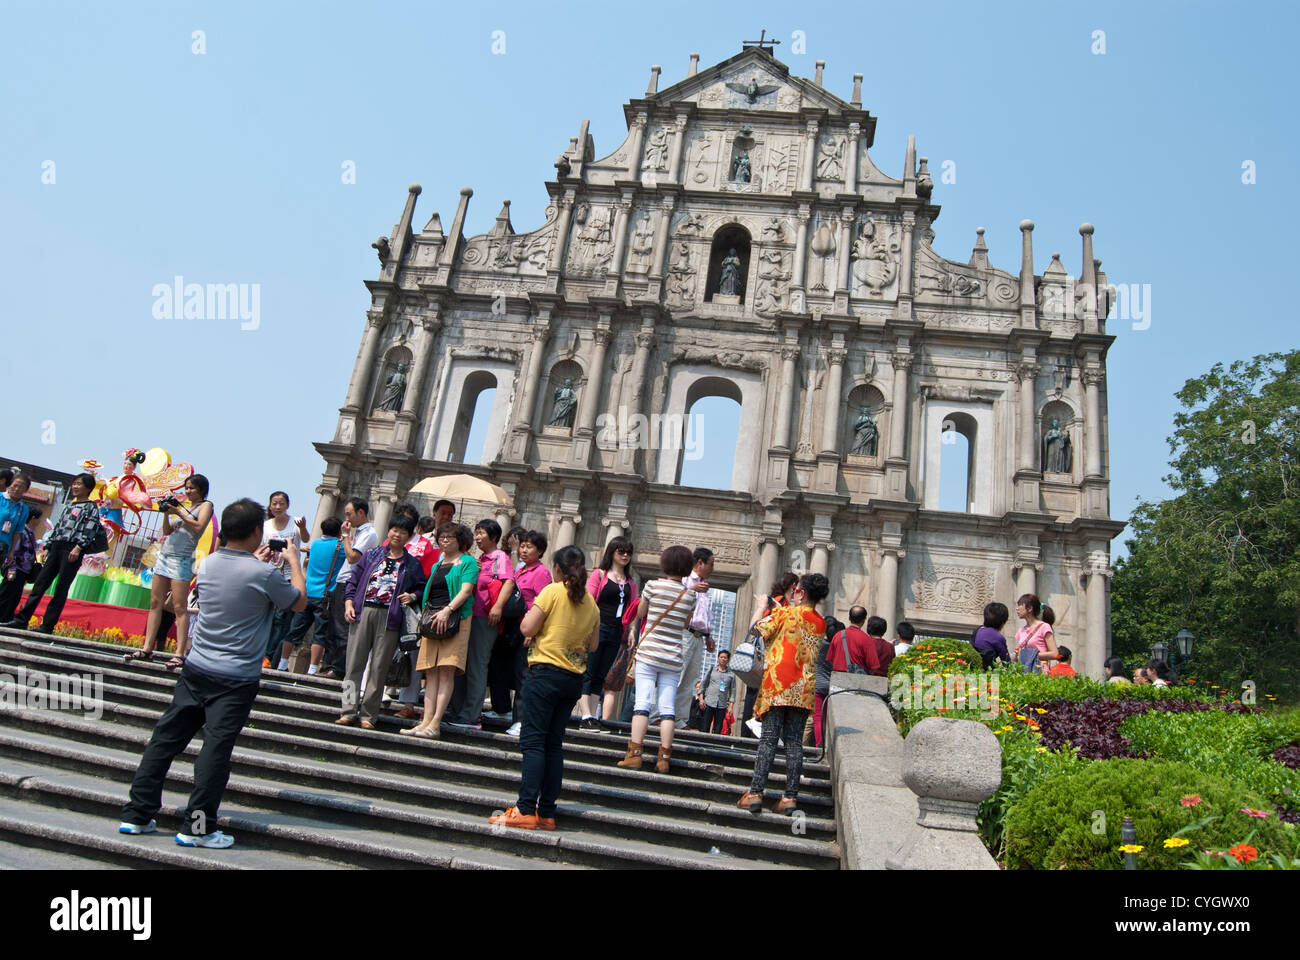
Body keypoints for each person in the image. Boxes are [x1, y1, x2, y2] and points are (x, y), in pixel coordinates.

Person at [118, 498, 306, 848]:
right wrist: (293, 560)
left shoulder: (206, 565)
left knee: (164, 740)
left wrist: (256, 563)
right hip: (235, 678)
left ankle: (137, 814)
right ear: (255, 532)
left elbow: (238, 580)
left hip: (196, 667)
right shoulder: (263, 573)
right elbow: (297, 601)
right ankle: (197, 826)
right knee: (215, 751)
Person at [489, 546, 599, 830]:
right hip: (572, 679)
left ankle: (525, 808)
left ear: (559, 569)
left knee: (533, 741)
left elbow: (526, 627)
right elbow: (594, 645)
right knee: (553, 744)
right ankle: (547, 812)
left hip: (545, 672)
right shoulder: (591, 604)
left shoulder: (552, 592)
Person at [737, 572, 830, 814]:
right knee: (794, 743)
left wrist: (762, 608)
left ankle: (756, 793)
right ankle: (790, 797)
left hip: (778, 685)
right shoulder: (821, 623)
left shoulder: (785, 613)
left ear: (801, 592)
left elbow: (757, 631)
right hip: (803, 689)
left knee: (768, 739)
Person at [336, 514, 426, 729]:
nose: (397, 534)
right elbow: (353, 581)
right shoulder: (372, 555)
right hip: (363, 611)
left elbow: (422, 587)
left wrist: (413, 596)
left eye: (403, 532)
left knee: (378, 668)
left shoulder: (411, 564)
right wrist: (349, 604)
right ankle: (347, 710)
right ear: (389, 531)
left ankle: (369, 714)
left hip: (390, 618)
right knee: (353, 665)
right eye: (394, 529)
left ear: (408, 536)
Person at [616, 546, 697, 772]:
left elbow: (641, 613)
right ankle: (663, 758)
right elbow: (685, 624)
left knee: (642, 704)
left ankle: (635, 754)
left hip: (649, 654)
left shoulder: (652, 586)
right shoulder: (690, 595)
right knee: (667, 708)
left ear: (664, 564)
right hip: (672, 657)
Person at [401, 522, 476, 738]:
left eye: (450, 537)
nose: (444, 540)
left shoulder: (468, 562)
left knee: (446, 671)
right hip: (432, 620)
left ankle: (436, 722)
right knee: (430, 672)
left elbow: (466, 591)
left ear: (460, 540)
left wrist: (447, 610)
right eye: (442, 537)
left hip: (455, 620)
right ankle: (425, 721)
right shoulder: (437, 564)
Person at [128, 475, 212, 667]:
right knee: (155, 603)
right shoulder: (182, 507)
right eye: (187, 488)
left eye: (192, 488)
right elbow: (166, 531)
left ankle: (179, 653)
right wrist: (166, 512)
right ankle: (147, 648)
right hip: (165, 557)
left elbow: (198, 526)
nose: (188, 491)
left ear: (201, 490)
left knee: (179, 607)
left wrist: (178, 512)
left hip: (182, 559)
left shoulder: (205, 505)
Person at [4, 474, 103, 634]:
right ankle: (21, 619)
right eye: (74, 483)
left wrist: (78, 548)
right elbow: (58, 527)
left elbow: (90, 530)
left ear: (88, 488)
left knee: (61, 589)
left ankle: (47, 625)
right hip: (57, 546)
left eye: (79, 484)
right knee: (40, 584)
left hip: (72, 550)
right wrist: (48, 546)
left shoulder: (90, 507)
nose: (75, 487)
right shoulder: (71, 505)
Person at [446, 520, 515, 730]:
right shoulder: (479, 559)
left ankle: (471, 714)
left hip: (485, 618)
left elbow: (508, 582)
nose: (477, 537)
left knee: (477, 664)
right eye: (476, 533)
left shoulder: (500, 557)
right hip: (468, 616)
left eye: (481, 533)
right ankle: (457, 709)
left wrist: (498, 607)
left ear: (493, 537)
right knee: (462, 663)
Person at [577, 536, 639, 730]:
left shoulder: (630, 582)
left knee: (601, 675)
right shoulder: (600, 574)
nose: (625, 555)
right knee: (588, 671)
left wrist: (631, 630)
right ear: (612, 552)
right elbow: (589, 602)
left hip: (616, 631)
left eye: (628, 552)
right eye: (621, 551)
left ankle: (593, 717)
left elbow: (633, 609)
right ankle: (585, 715)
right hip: (597, 627)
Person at [493, 530, 552, 732]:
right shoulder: (520, 570)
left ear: (540, 551)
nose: (524, 550)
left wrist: (532, 632)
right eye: (523, 546)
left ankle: (521, 719)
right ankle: (501, 707)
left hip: (525, 627)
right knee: (499, 666)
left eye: (529, 547)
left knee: (522, 673)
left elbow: (542, 605)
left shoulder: (541, 573)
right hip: (510, 625)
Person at [278, 517, 345, 673]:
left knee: (294, 631)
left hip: (307, 593)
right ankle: (313, 668)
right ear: (338, 531)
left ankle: (282, 663)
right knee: (320, 634)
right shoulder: (339, 547)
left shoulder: (315, 545)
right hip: (325, 596)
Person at [324, 498, 378, 680]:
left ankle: (339, 668)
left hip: (351, 582)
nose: (346, 518)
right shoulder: (358, 532)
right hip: (342, 580)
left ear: (361, 513)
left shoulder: (369, 533)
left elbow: (353, 557)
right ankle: (328, 664)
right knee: (333, 626)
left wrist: (346, 536)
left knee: (342, 627)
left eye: (349, 514)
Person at [742, 572, 798, 738]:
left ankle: (750, 735)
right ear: (792, 586)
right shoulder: (779, 602)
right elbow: (756, 628)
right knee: (757, 696)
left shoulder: (781, 602)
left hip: (770, 659)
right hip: (768, 658)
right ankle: (751, 736)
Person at [260, 491, 310, 667]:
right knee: (263, 614)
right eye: (274, 503)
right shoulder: (266, 525)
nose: (278, 507)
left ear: (287, 505)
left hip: (287, 576)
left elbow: (305, 539)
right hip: (267, 573)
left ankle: (268, 655)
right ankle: (258, 651)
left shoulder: (294, 522)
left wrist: (303, 527)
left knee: (280, 618)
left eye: (281, 503)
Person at [672, 548, 715, 728]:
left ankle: (679, 719)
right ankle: (661, 714)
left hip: (698, 637)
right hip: (684, 633)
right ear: (699, 563)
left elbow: (703, 614)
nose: (713, 568)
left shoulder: (704, 586)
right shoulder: (685, 579)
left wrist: (708, 636)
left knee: (690, 679)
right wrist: (691, 590)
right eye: (710, 564)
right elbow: (674, 600)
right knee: (677, 675)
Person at [0, 508, 43, 624]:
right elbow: (14, 550)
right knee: (6, 594)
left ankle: (6, 619)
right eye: (39, 519)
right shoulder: (22, 532)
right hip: (15, 568)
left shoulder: (30, 533)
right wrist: (12, 569)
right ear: (33, 518)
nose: (40, 522)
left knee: (15, 596)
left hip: (23, 570)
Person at [1013, 593, 1061, 674]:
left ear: (1030, 608)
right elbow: (1022, 655)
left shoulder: (1044, 627)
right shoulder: (1021, 630)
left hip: (1039, 671)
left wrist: (1033, 655)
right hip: (1024, 672)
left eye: (1020, 605)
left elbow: (1055, 653)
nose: (1017, 609)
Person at [696, 649, 735, 734]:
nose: (723, 659)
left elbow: (732, 691)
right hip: (709, 702)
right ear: (718, 658)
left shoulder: (731, 675)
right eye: (721, 657)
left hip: (722, 705)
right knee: (705, 726)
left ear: (728, 660)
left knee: (718, 728)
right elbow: (703, 685)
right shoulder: (712, 670)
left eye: (725, 658)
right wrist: (701, 699)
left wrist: (731, 706)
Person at [0, 471, 32, 566]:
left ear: (25, 490)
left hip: (3, 547)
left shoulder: (23, 509)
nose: (17, 489)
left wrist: (11, 552)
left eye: (21, 487)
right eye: (15, 485)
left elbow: (17, 532)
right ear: (9, 485)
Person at [971, 602, 1012, 669]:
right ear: (1003, 621)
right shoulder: (998, 637)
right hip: (989, 675)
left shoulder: (977, 630)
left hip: (972, 672)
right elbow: (1006, 662)